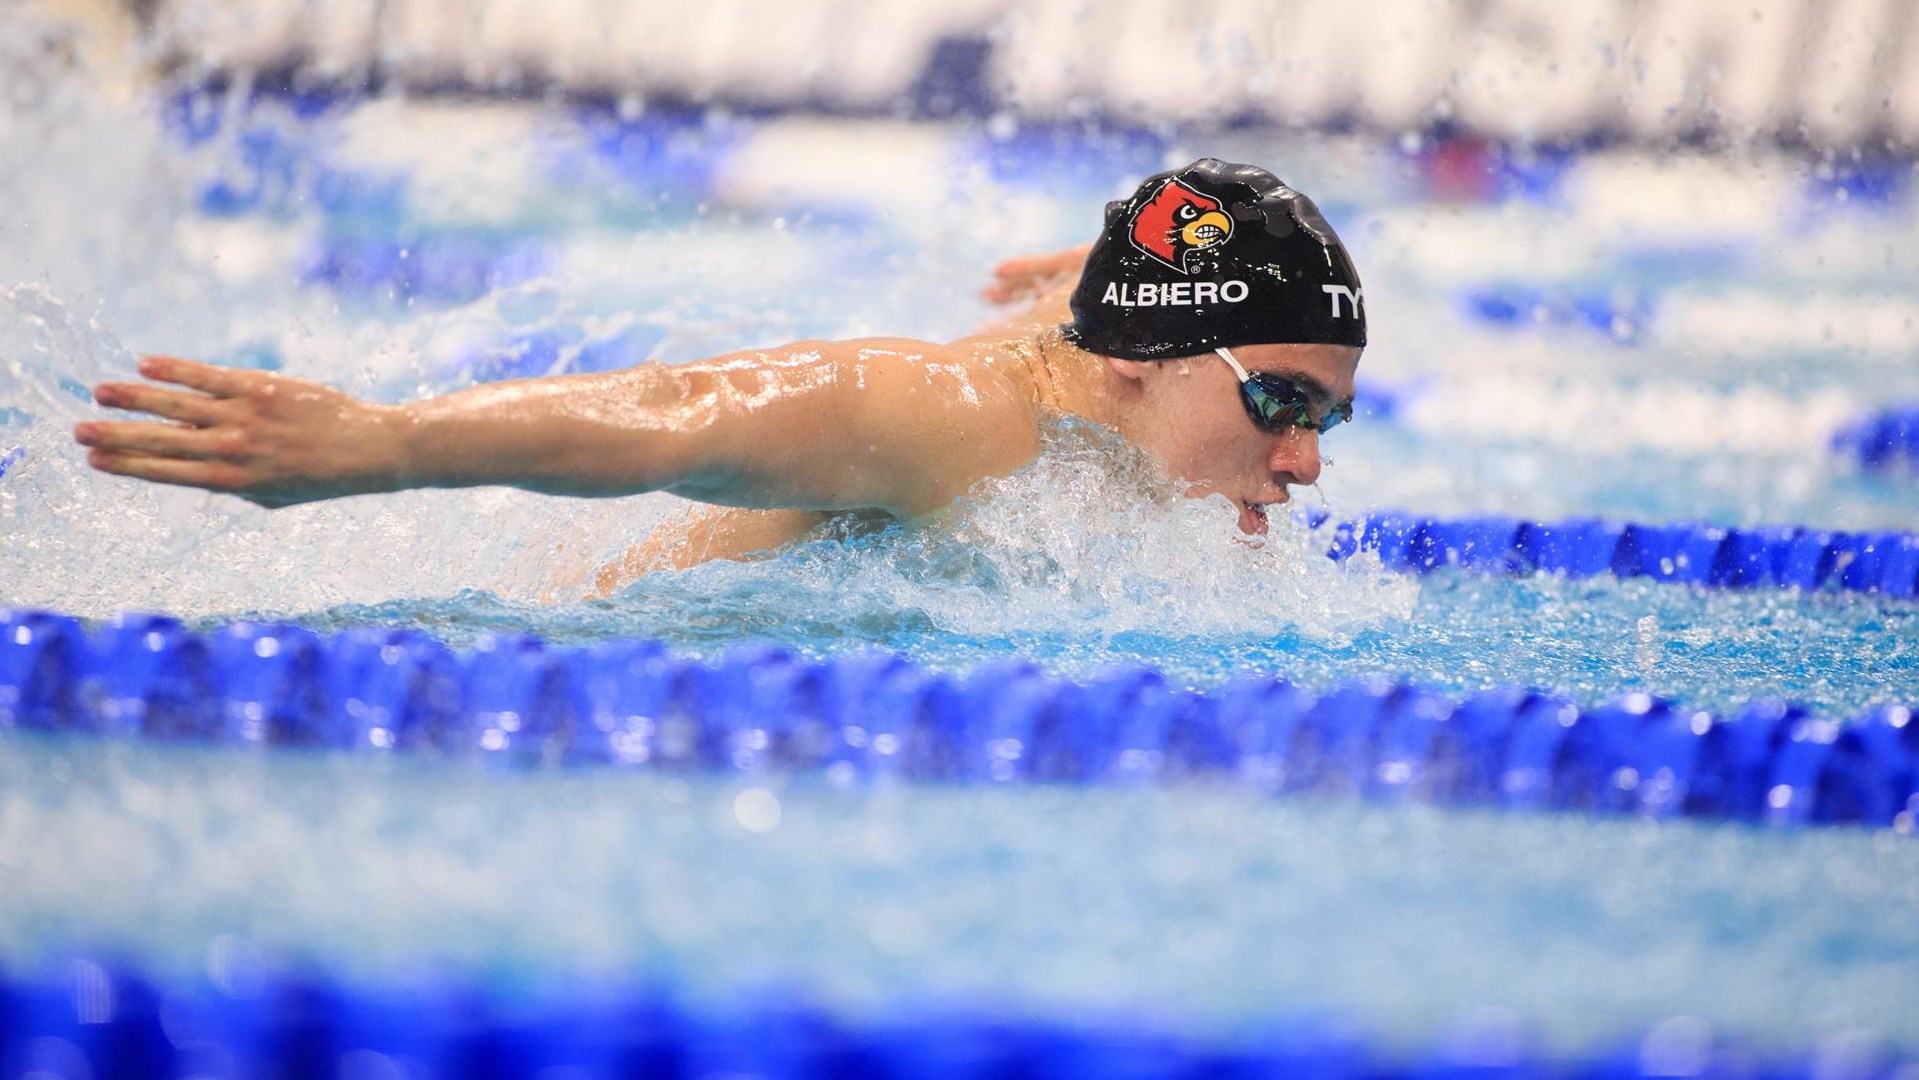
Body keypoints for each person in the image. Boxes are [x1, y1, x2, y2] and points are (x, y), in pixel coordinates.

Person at [73, 159, 1366, 594]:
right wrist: (386, 445)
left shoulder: (1121, 370)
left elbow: (1148, 280)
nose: (1304, 460)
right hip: (582, 640)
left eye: (1326, 418)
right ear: (1146, 357)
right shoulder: (954, 420)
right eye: (1284, 403)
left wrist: (1097, 257)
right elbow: (673, 412)